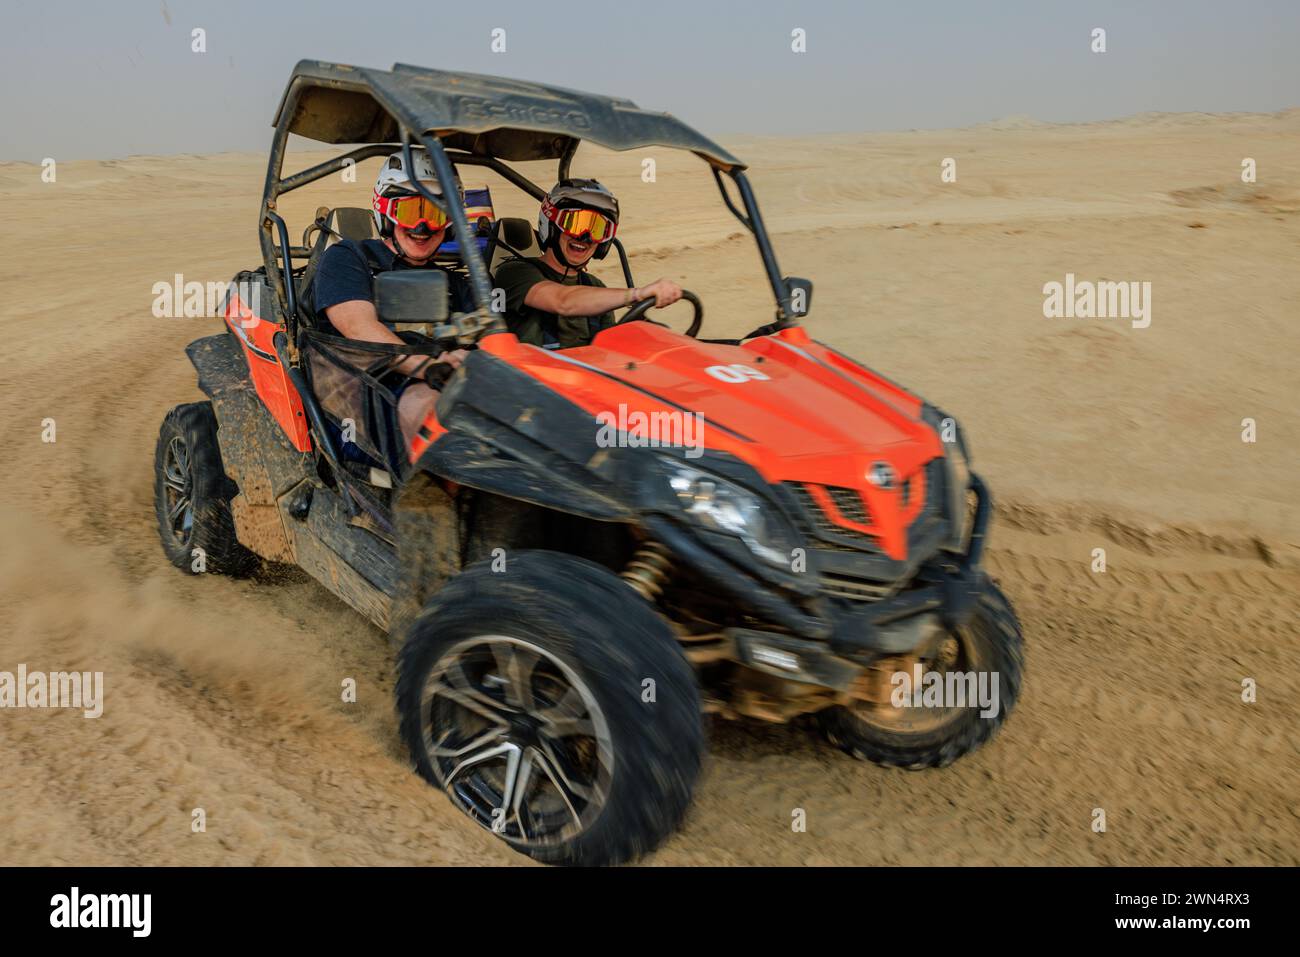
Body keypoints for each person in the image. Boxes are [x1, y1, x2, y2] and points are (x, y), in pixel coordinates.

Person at [313, 148, 471, 443]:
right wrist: (429, 367)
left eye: (435, 213)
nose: (423, 228)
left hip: (443, 386)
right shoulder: (348, 257)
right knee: (442, 414)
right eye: (411, 212)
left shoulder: (456, 283)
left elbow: (489, 336)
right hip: (362, 401)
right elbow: (358, 327)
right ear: (385, 211)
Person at [495, 179, 684, 349]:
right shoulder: (514, 272)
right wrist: (636, 294)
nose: (586, 237)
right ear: (551, 225)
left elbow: (606, 351)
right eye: (575, 224)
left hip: (580, 382)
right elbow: (563, 301)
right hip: (527, 381)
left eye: (598, 228)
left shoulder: (595, 287)